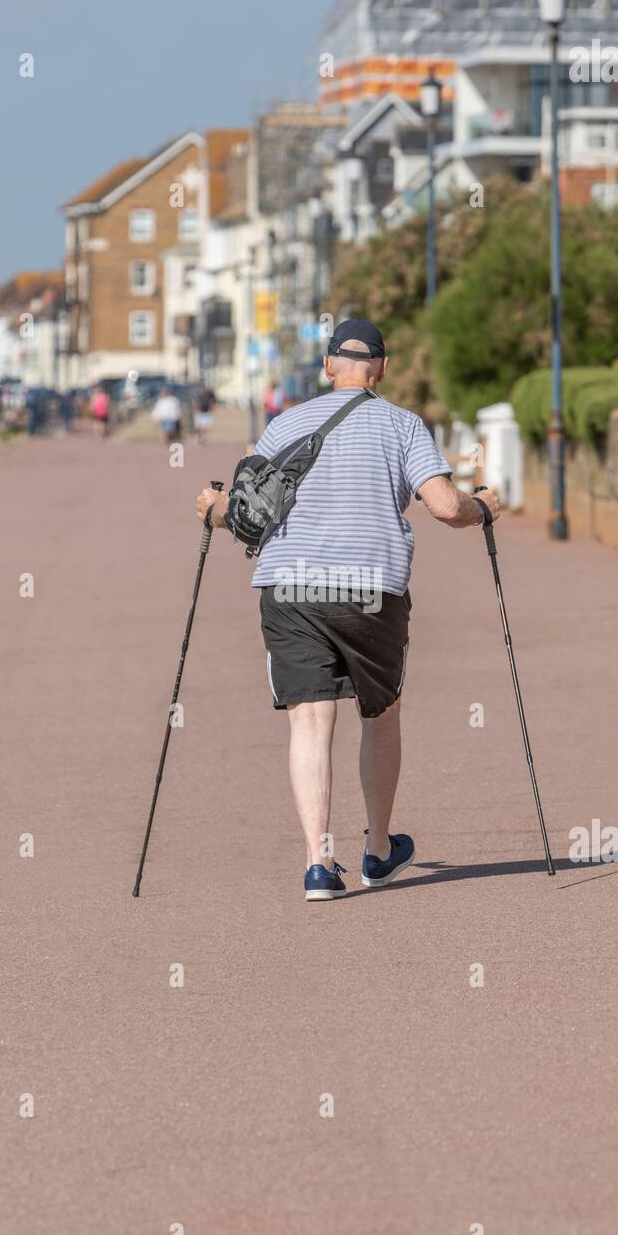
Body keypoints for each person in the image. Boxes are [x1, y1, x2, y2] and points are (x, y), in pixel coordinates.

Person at [195, 318, 500, 902]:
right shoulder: (403, 425)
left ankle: (318, 864)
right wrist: (482, 508)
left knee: (310, 721)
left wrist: (212, 506)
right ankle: (378, 851)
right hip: (371, 590)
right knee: (379, 712)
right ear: (381, 369)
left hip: (290, 587)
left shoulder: (284, 424)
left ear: (328, 366)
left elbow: (243, 510)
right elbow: (443, 506)